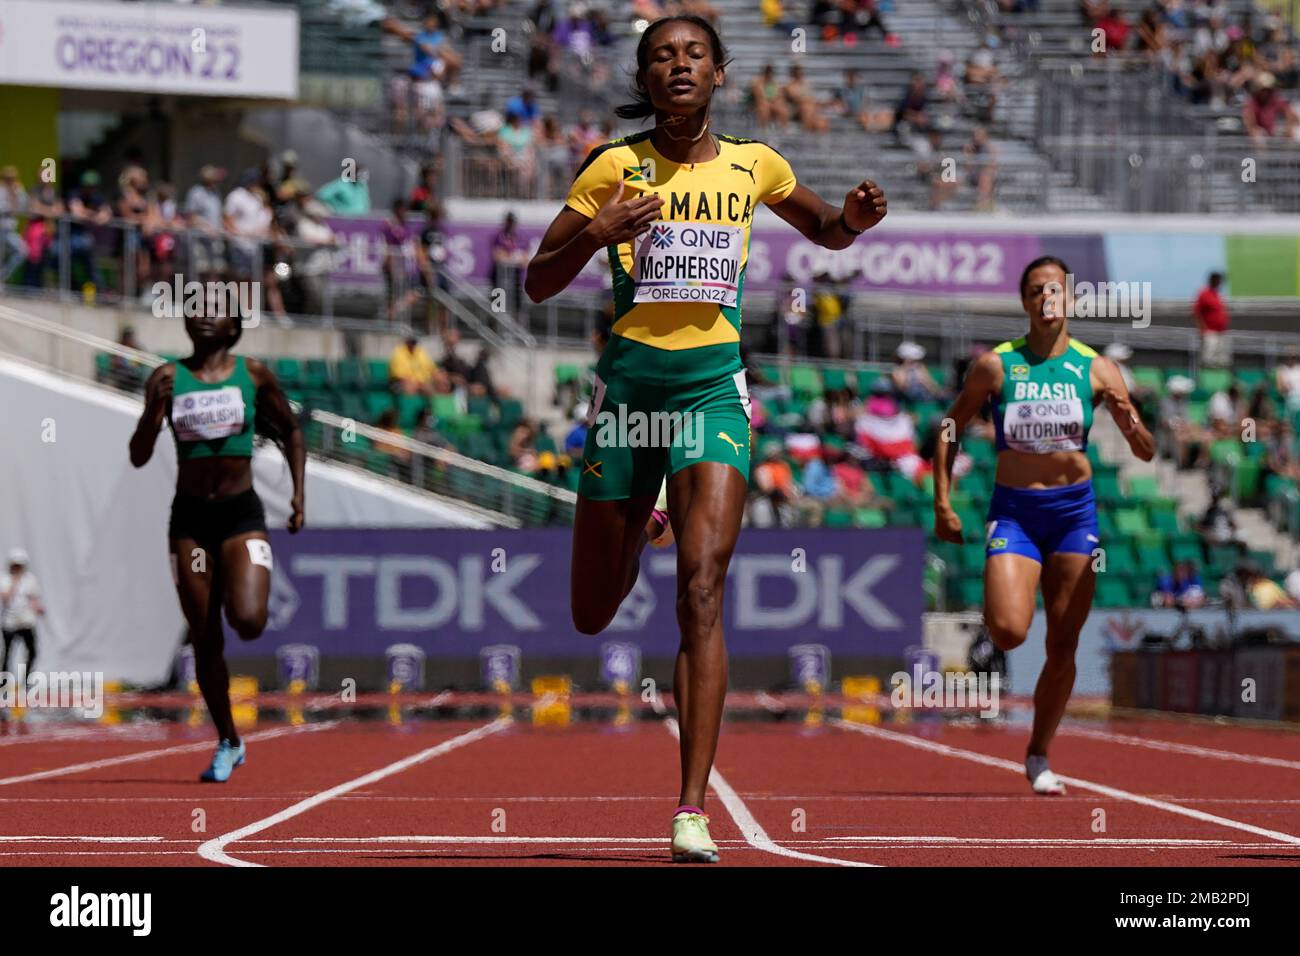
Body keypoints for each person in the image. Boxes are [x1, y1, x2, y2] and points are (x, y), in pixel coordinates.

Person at [523, 14, 887, 863]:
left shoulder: (755, 166)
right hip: (629, 399)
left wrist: (855, 222)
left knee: (703, 591)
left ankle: (691, 809)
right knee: (590, 613)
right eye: (660, 57)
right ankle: (644, 520)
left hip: (711, 389)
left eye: (692, 54)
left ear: (720, 73)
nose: (677, 66)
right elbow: (536, 283)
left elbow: (825, 229)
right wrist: (595, 233)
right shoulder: (614, 167)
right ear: (645, 80)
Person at [933, 256, 1154, 795]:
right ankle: (1003, 621)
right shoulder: (997, 366)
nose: (1046, 299)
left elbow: (1146, 453)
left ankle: (1038, 751)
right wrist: (943, 500)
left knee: (1063, 644)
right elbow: (947, 427)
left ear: (1070, 299)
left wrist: (1130, 423)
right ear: (1026, 302)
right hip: (1016, 511)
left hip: (1075, 514)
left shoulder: (1098, 368)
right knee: (1009, 630)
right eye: (1036, 291)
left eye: (1055, 289)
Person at [128, 308, 304, 781]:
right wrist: (152, 412)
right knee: (205, 636)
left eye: (216, 315)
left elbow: (290, 429)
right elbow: (138, 455)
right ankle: (229, 739)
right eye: (197, 314)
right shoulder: (166, 378)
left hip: (240, 515)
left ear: (233, 329)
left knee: (247, 621)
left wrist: (298, 495)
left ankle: (233, 582)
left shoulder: (253, 374)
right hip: (189, 520)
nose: (204, 320)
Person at [0, 549, 43, 676]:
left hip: (26, 621)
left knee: (32, 651)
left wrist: (37, 608)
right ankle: (4, 681)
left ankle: (27, 679)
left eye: (20, 565)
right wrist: (15, 582)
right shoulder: (5, 579)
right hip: (9, 622)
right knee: (7, 653)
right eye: (15, 565)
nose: (18, 568)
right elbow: (5, 598)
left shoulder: (30, 580)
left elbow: (33, 598)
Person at [1193, 271, 1231, 368]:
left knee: (1223, 360)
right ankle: (1207, 379)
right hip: (1210, 332)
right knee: (1208, 359)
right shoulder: (1204, 294)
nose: (1220, 283)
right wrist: (1202, 330)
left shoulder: (1217, 294)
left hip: (1221, 332)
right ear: (1213, 280)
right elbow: (1197, 313)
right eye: (1219, 280)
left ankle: (1221, 379)